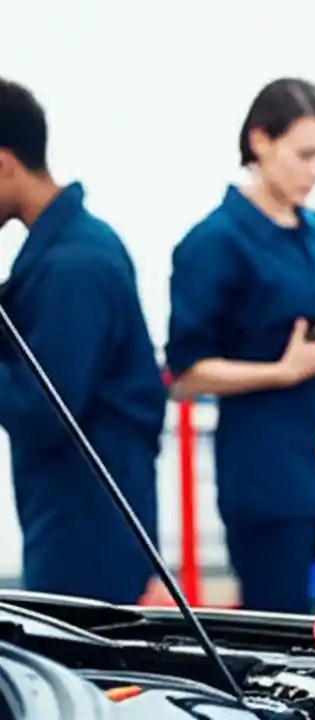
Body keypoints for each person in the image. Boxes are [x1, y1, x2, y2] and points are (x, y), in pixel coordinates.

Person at [165, 78, 315, 614]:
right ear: (260, 140)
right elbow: (186, 374)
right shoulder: (213, 243)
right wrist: (283, 370)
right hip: (266, 473)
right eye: (305, 155)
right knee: (283, 633)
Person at [0, 77, 167, 604]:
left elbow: (40, 413)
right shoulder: (65, 250)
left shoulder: (74, 264)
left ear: (3, 165)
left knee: (79, 678)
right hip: (82, 517)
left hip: (88, 531)